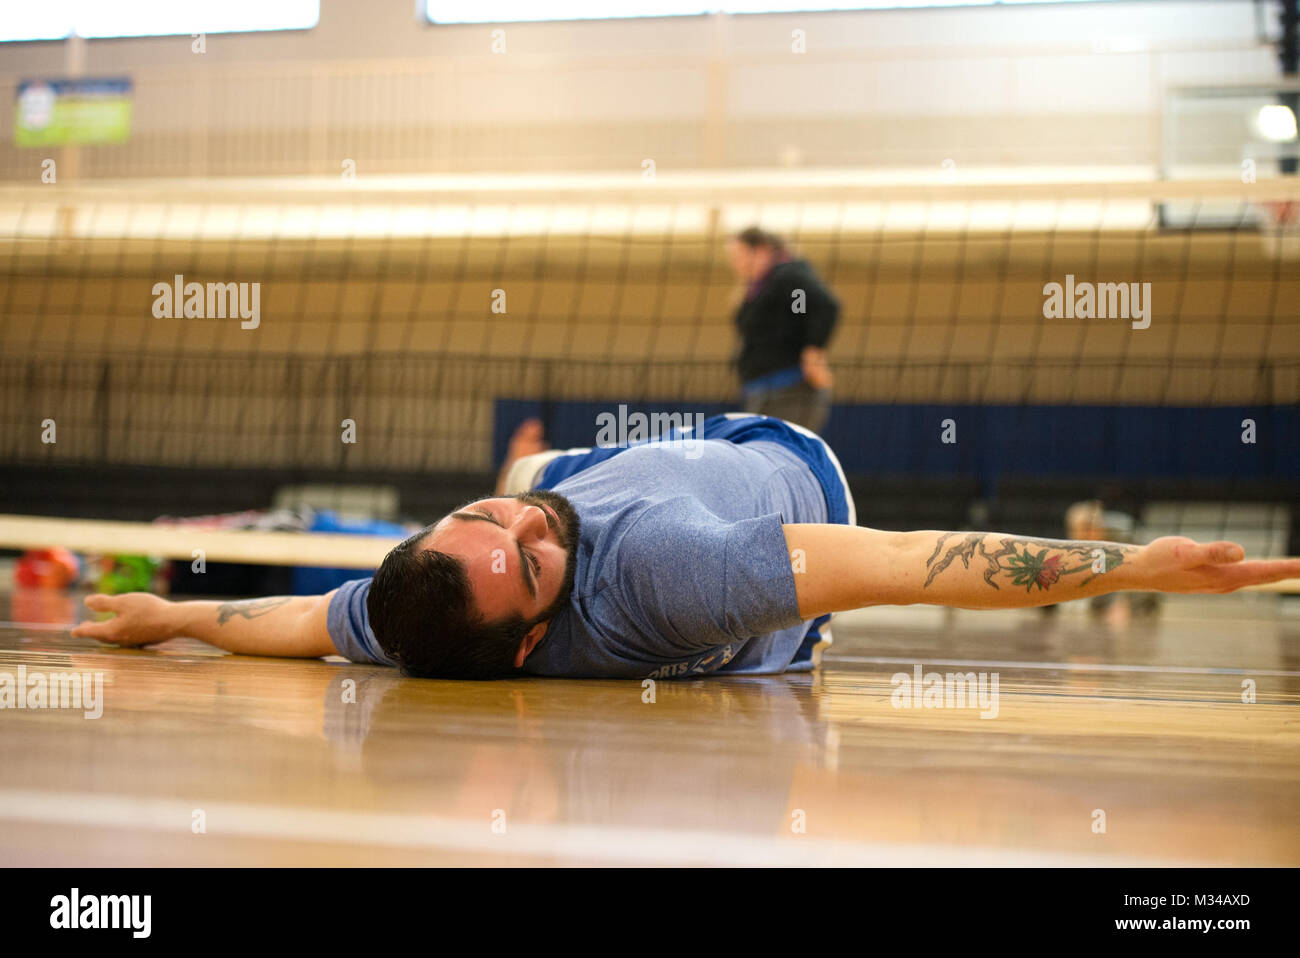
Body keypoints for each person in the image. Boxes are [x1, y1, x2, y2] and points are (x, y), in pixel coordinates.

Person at [74, 414, 1300, 680]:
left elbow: (299, 621)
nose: (526, 535)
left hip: (664, 471)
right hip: (793, 469)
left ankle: (536, 463)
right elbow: (902, 560)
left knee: (537, 475)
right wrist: (1133, 566)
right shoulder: (674, 579)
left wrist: (172, 616)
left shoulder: (427, 602)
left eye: (480, 523)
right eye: (528, 563)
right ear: (534, 638)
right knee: (577, 496)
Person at [727, 227, 838, 433]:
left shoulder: (789, 276)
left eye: (738, 255)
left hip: (789, 387)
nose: (735, 263)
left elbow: (820, 305)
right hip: (765, 388)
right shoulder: (761, 285)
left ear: (761, 250)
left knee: (781, 451)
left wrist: (813, 351)